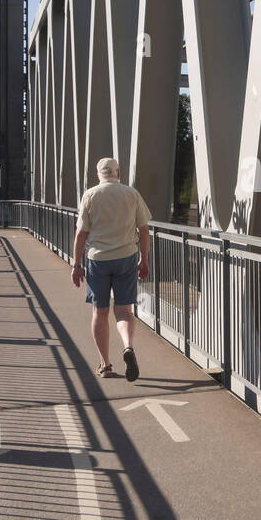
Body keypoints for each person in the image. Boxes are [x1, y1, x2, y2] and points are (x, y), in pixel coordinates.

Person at [71, 157, 152, 381]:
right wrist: (144, 259)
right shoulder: (131, 194)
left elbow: (81, 234)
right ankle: (127, 346)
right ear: (118, 173)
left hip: (98, 259)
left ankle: (105, 365)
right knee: (124, 311)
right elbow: (144, 230)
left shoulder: (90, 195)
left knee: (100, 312)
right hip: (126, 257)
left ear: (99, 175)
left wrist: (77, 265)